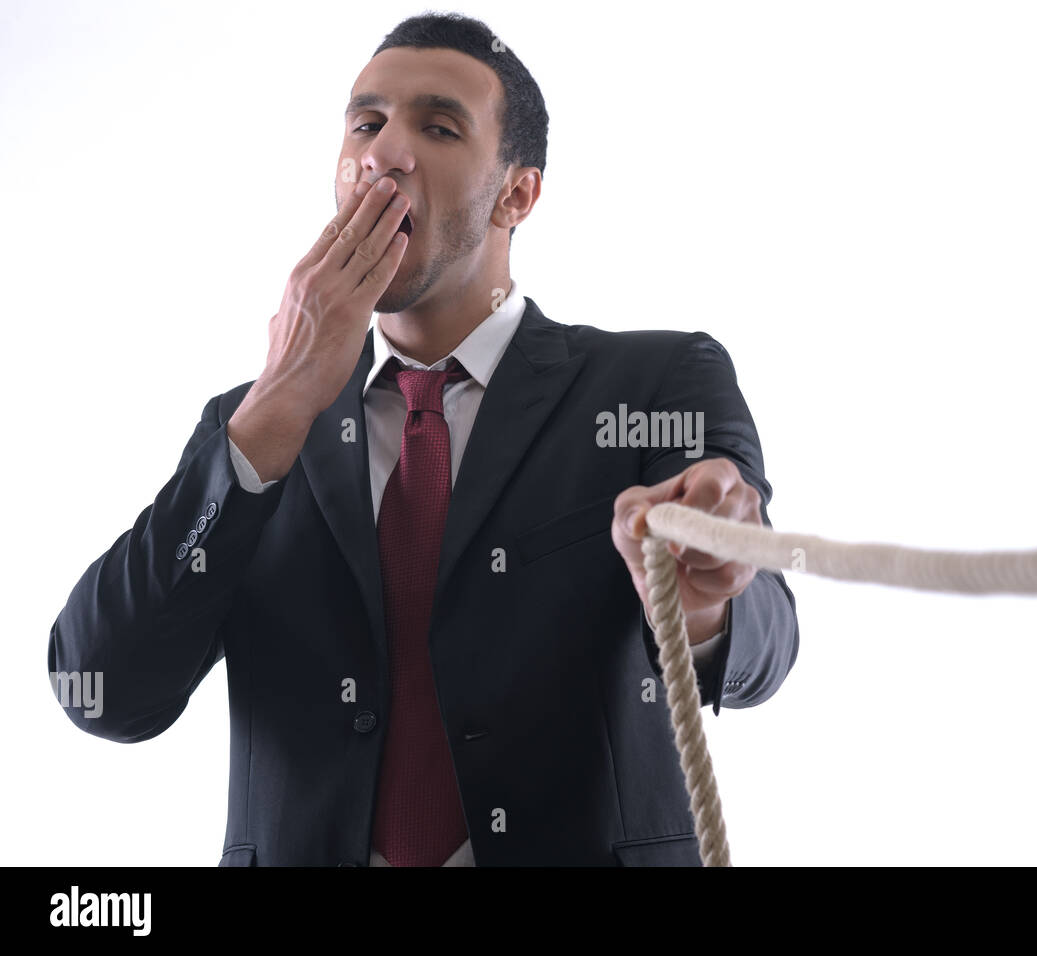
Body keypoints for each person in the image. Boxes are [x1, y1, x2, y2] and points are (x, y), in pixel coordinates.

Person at [48, 11, 799, 867]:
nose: (385, 154)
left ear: (518, 194)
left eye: (437, 127)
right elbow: (103, 691)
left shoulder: (657, 382)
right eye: (366, 124)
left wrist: (706, 597)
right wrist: (275, 407)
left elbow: (766, 650)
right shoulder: (248, 426)